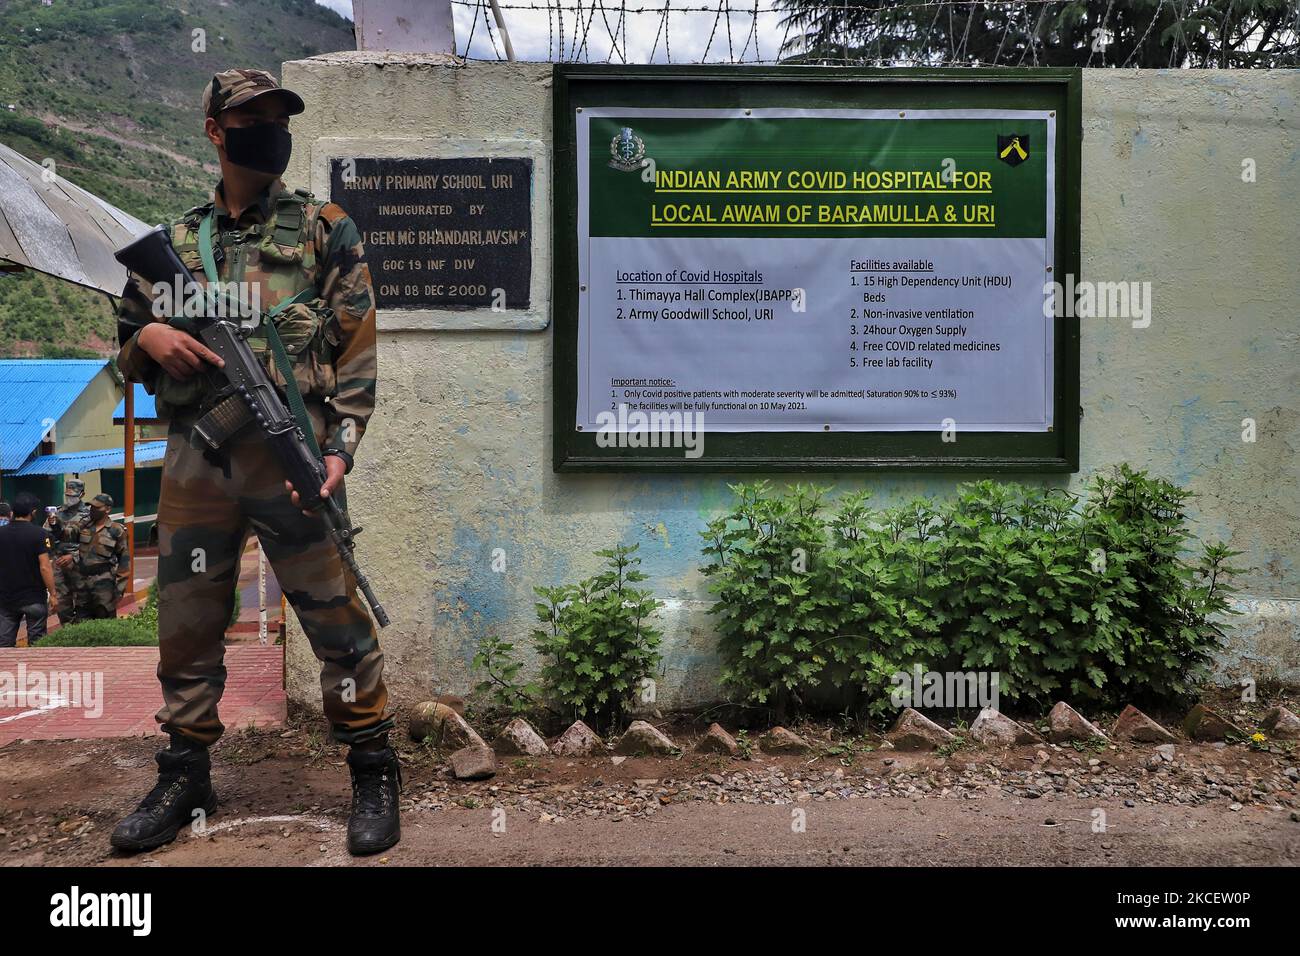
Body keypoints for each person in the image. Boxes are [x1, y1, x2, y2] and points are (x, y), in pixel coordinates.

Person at [110, 68, 397, 856]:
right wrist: (146, 341)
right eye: (251, 117)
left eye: (278, 116)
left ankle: (372, 764)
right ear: (216, 130)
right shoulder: (173, 243)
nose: (268, 128)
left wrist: (339, 450)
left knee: (337, 619)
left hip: (292, 460)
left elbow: (357, 351)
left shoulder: (323, 228)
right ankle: (184, 772)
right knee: (188, 624)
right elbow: (122, 348)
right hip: (197, 466)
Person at [0, 493, 58, 647]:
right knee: (37, 642)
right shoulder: (39, 534)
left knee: (4, 643)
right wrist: (53, 594)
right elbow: (45, 566)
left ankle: (6, 670)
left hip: (6, 598)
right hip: (33, 597)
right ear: (32, 512)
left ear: (12, 512)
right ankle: (35, 669)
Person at [65, 493, 130, 620]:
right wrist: (55, 525)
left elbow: (124, 560)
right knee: (82, 623)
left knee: (105, 623)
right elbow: (66, 535)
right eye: (92, 507)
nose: (93, 510)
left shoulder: (116, 530)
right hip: (83, 586)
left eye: (97, 507)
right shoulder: (84, 526)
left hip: (104, 587)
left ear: (108, 509)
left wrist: (119, 590)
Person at [46, 479, 90, 624]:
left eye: (73, 495)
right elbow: (45, 535)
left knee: (83, 600)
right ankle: (68, 631)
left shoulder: (89, 514)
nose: (69, 498)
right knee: (61, 601)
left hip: (80, 563)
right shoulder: (57, 513)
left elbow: (95, 541)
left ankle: (82, 633)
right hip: (58, 562)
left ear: (82, 494)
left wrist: (73, 556)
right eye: (67, 495)